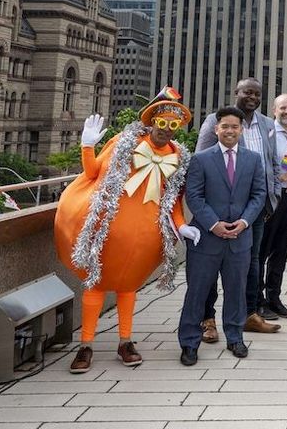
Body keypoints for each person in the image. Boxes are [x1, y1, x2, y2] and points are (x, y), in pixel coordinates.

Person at [55, 87, 194, 373]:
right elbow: (92, 172)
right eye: (163, 122)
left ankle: (125, 341)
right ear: (153, 121)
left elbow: (174, 201)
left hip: (145, 238)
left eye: (173, 125)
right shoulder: (125, 142)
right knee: (95, 284)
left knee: (129, 288)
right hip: (110, 230)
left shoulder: (178, 156)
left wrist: (182, 227)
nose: (166, 130)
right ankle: (86, 345)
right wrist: (87, 145)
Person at [178, 106, 267, 365]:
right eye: (225, 126)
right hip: (207, 239)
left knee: (236, 291)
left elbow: (258, 194)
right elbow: (194, 196)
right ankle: (189, 343)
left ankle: (235, 337)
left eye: (234, 127)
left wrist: (244, 221)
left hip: (240, 238)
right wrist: (213, 224)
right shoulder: (201, 159)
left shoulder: (253, 159)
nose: (229, 131)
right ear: (216, 129)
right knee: (197, 292)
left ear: (241, 130)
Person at [195, 78, 282, 337]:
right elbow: (199, 160)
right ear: (236, 92)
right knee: (211, 265)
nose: (252, 97)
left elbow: (273, 164)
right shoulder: (216, 121)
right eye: (247, 92)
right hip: (220, 208)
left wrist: (272, 197)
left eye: (257, 93)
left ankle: (249, 315)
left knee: (251, 263)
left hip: (254, 209)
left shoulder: (267, 124)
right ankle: (207, 319)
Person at [257, 94, 287, 318]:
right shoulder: (268, 133)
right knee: (262, 251)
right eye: (283, 108)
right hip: (271, 197)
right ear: (274, 110)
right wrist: (283, 177)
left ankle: (274, 297)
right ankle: (258, 300)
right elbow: (264, 165)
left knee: (281, 251)